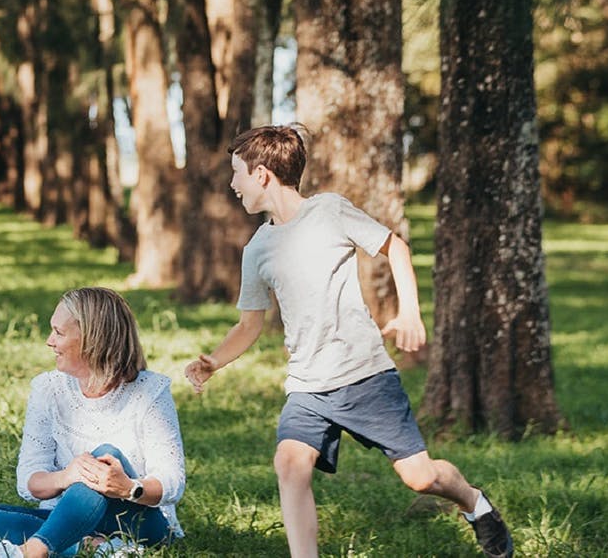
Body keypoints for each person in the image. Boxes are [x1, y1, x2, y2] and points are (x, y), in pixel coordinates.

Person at [184, 124, 514, 558]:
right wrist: (214, 362)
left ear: (261, 174)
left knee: (421, 478)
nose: (232, 184)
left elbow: (396, 248)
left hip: (365, 376)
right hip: (308, 386)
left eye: (236, 173)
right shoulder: (257, 248)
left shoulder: (329, 211)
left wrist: (410, 312)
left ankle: (474, 502)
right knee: (290, 464)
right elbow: (248, 325)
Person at [0, 287, 186, 558]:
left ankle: (34, 550)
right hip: (64, 518)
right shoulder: (48, 388)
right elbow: (29, 481)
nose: (49, 341)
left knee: (104, 457)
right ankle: (96, 548)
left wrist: (128, 487)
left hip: (136, 522)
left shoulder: (150, 390)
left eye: (59, 332)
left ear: (92, 339)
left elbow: (172, 482)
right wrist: (68, 476)